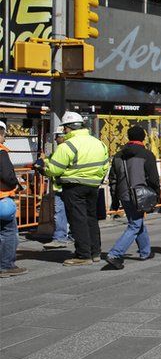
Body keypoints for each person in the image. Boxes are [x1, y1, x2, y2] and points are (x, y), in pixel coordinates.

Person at [42, 112, 110, 266]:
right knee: (91, 218)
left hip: (74, 186)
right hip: (93, 186)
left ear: (68, 128)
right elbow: (105, 165)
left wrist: (43, 167)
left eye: (64, 128)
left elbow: (54, 169)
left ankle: (83, 255)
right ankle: (95, 252)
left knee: (78, 220)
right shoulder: (98, 143)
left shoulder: (67, 145)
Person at [105, 126, 160, 270]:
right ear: (143, 137)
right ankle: (115, 254)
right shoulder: (147, 154)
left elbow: (113, 179)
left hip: (124, 194)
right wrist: (156, 195)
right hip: (141, 194)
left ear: (129, 137)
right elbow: (153, 179)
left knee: (137, 221)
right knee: (135, 225)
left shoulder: (118, 155)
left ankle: (145, 251)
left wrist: (115, 199)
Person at [0, 122, 25, 277]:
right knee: (8, 232)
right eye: (4, 135)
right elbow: (7, 176)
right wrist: (16, 183)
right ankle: (6, 266)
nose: (4, 139)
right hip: (2, 199)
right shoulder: (1, 152)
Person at [41, 128, 72, 249]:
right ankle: (69, 235)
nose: (55, 139)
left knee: (60, 213)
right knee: (67, 212)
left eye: (57, 136)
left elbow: (55, 167)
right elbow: (52, 161)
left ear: (63, 136)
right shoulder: (64, 149)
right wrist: (44, 160)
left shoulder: (63, 149)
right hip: (65, 186)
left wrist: (44, 169)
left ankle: (60, 238)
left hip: (62, 186)